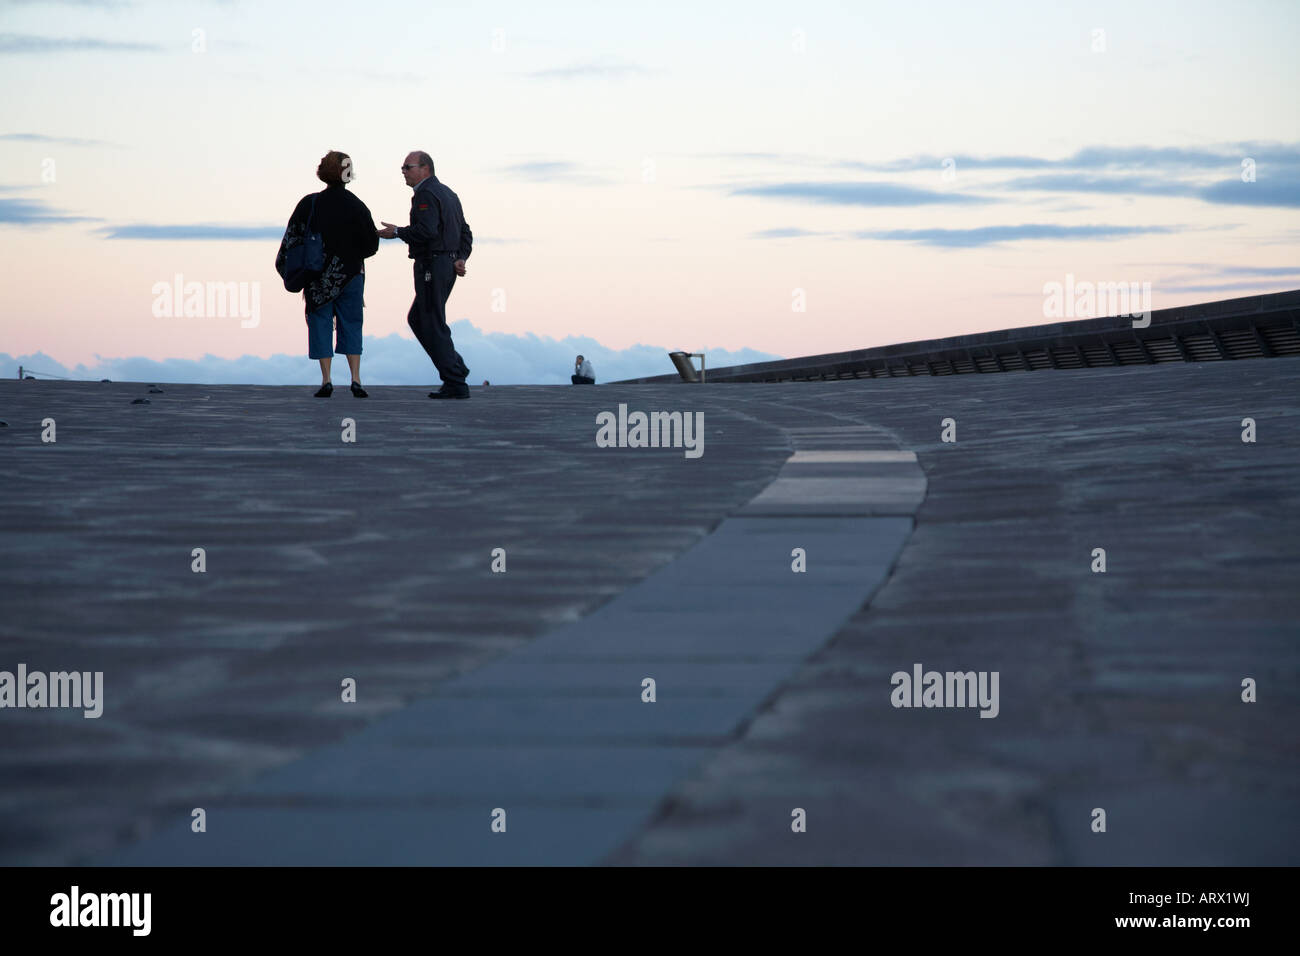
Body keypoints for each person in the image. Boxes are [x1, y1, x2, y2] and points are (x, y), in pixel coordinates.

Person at [276, 150, 380, 397]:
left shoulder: (309, 203)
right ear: (348, 173)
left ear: (323, 172)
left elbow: (292, 238)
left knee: (320, 322)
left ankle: (326, 380)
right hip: (352, 275)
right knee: (352, 324)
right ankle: (356, 379)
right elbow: (371, 246)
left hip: (316, 276)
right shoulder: (357, 206)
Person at [378, 151, 473, 399]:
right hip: (446, 264)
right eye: (403, 167)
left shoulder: (426, 194)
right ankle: (455, 369)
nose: (403, 171)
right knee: (421, 318)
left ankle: (455, 380)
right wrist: (460, 257)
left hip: (433, 265)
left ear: (425, 168)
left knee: (430, 320)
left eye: (407, 167)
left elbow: (427, 231)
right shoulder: (448, 193)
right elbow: (465, 232)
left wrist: (397, 232)